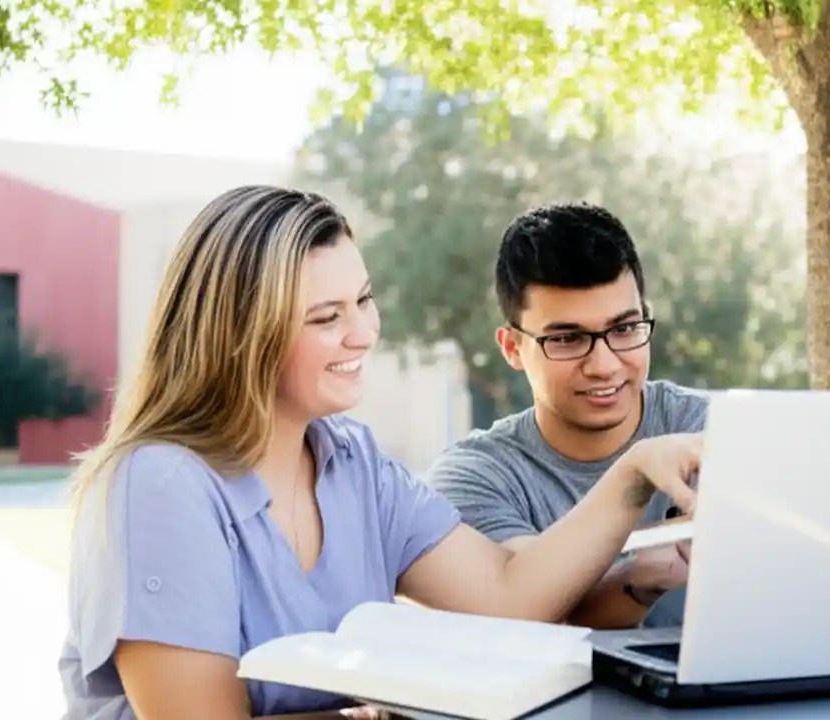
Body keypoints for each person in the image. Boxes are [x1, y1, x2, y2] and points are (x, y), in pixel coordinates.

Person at [57, 187, 703, 720]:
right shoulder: (161, 484)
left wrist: (633, 474)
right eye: (325, 317)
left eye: (363, 300)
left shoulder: (352, 463)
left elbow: (510, 593)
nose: (363, 333)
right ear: (242, 336)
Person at [425, 202, 706, 630]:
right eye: (568, 339)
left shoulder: (713, 430)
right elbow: (528, 611)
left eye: (625, 329)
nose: (605, 365)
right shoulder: (475, 478)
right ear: (512, 348)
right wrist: (635, 579)